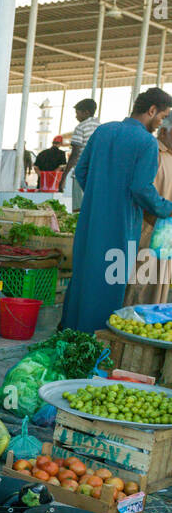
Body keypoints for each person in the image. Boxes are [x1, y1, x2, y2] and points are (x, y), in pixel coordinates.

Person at [61, 88, 172, 333]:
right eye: (162, 116)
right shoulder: (146, 143)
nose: (161, 122)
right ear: (152, 110)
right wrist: (167, 209)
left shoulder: (103, 131)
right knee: (109, 284)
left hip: (90, 221)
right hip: (121, 226)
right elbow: (142, 189)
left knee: (82, 277)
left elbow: (81, 172)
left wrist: (100, 196)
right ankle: (94, 341)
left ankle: (68, 333)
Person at [124, 115, 172, 308]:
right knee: (139, 287)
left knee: (158, 286)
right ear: (163, 132)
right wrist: (157, 224)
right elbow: (141, 192)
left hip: (165, 236)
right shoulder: (154, 153)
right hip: (148, 232)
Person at [59, 98, 99, 207]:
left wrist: (63, 177)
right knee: (92, 205)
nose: (76, 117)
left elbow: (75, 155)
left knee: (78, 207)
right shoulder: (100, 127)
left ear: (86, 112)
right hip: (97, 172)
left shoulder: (80, 127)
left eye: (78, 113)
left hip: (82, 172)